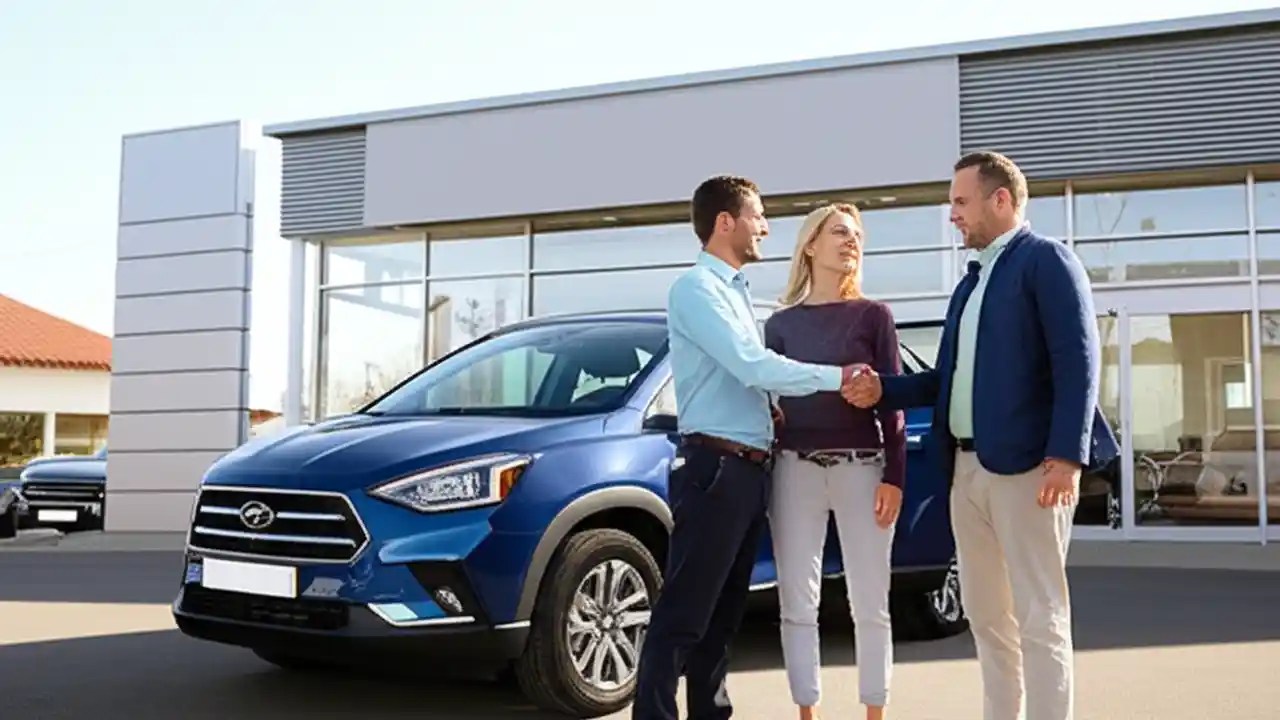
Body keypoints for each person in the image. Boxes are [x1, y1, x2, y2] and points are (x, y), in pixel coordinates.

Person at [844, 151, 1119, 720]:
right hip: (966, 471)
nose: (952, 215)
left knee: (1040, 615)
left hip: (1030, 471)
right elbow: (950, 380)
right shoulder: (969, 285)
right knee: (988, 616)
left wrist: (1067, 455)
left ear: (1001, 200)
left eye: (960, 202)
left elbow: (1078, 360)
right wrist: (884, 392)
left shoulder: (1047, 261)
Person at [632, 175, 863, 720]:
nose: (765, 227)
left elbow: (740, 378)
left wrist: (768, 409)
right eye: (758, 216)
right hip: (716, 469)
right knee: (685, 615)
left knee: (722, 617)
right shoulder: (697, 289)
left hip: (746, 470)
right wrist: (839, 376)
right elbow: (750, 364)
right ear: (725, 223)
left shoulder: (735, 292)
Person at [763, 203, 905, 720]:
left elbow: (891, 400)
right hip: (793, 471)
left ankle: (874, 712)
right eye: (840, 232)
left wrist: (895, 474)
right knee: (797, 602)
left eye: (858, 235)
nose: (852, 241)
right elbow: (768, 402)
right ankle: (807, 712)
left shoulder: (874, 316)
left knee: (871, 601)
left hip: (862, 469)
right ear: (810, 244)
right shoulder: (779, 326)